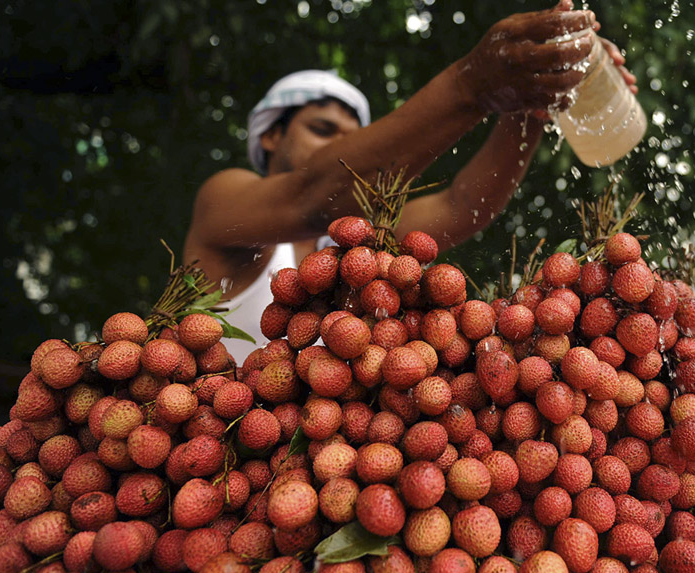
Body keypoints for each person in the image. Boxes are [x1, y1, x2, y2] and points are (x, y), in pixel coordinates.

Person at [183, 1, 637, 363]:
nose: (337, 149)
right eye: (322, 132)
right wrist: (472, 85)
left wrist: (530, 104)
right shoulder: (223, 200)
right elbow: (311, 196)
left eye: (352, 140)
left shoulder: (356, 242)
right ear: (270, 136)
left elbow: (462, 206)